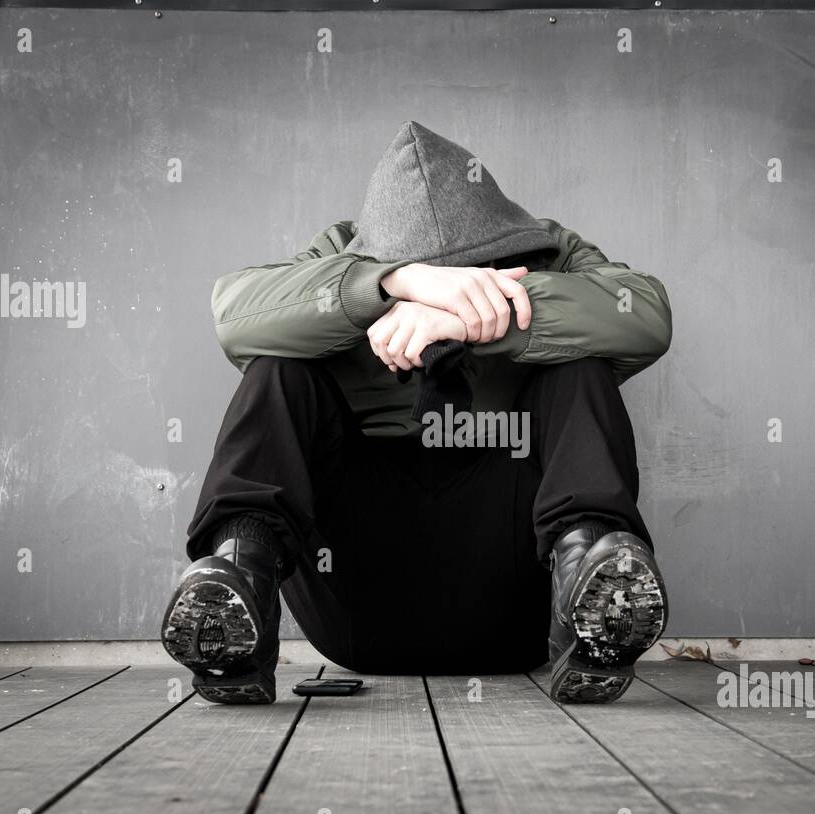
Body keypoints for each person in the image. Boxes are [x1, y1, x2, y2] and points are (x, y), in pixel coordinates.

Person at [160, 120, 673, 706]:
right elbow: (234, 314)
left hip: (518, 604)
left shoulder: (554, 249)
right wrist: (393, 283)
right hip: (359, 602)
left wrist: (481, 312)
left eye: (472, 268)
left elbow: (646, 313)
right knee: (279, 371)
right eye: (432, 278)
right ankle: (235, 608)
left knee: (580, 370)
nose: (444, 290)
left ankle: (593, 611)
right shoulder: (344, 251)